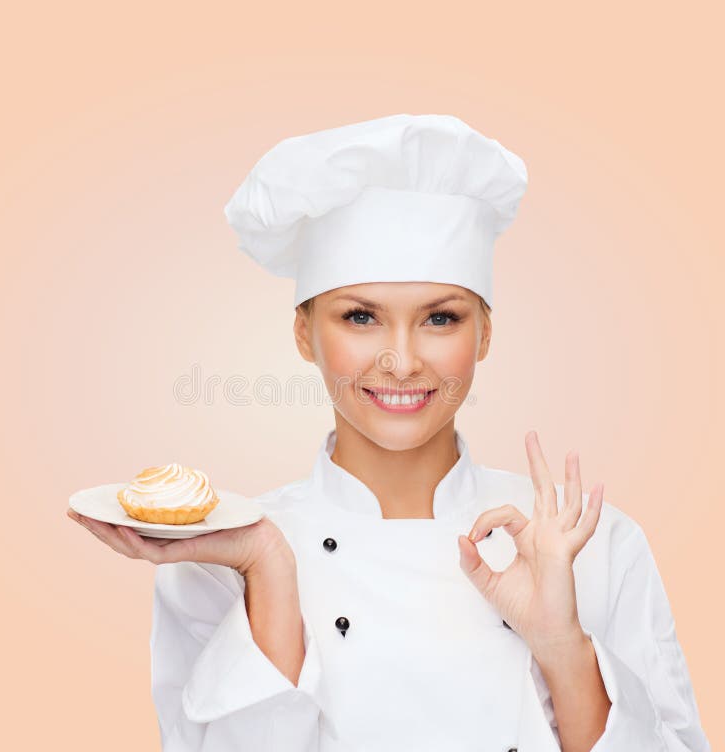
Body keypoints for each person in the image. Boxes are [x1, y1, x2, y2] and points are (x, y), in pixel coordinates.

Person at [67, 114, 710, 751]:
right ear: (303, 333)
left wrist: (561, 646)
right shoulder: (219, 562)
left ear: (485, 333)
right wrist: (269, 569)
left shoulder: (595, 549)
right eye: (361, 317)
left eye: (439, 318)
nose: (401, 361)